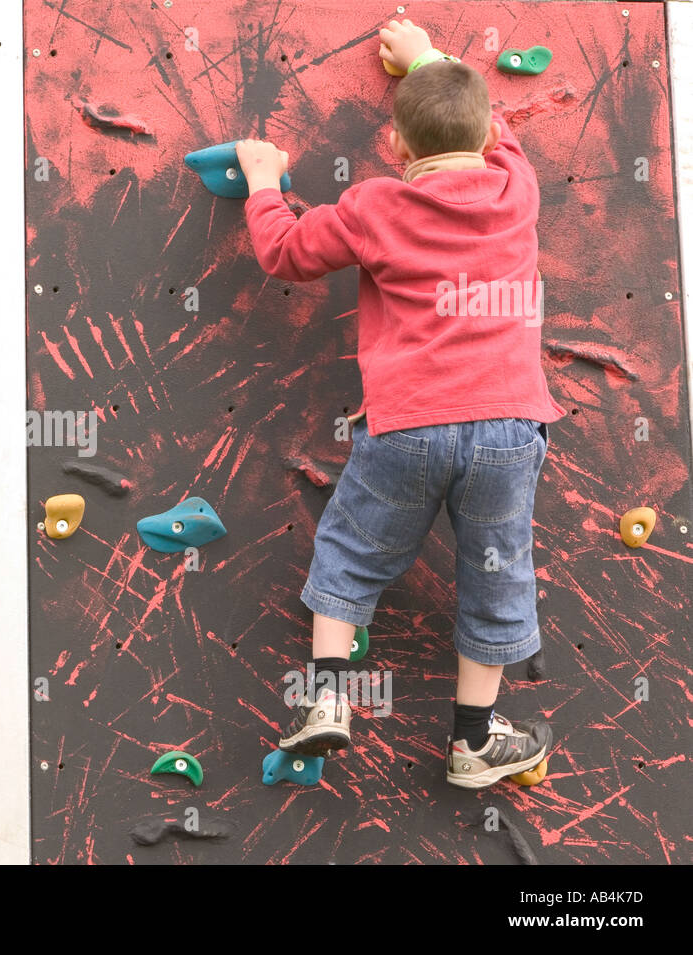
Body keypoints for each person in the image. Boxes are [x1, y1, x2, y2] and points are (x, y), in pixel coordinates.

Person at [237, 19, 566, 788]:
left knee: (351, 552)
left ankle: (326, 698)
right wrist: (424, 58)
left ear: (394, 147)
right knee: (496, 574)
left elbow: (285, 252)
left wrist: (261, 182)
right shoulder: (517, 189)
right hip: (508, 428)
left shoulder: (374, 205)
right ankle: (475, 743)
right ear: (488, 136)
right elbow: (494, 128)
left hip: (410, 425)